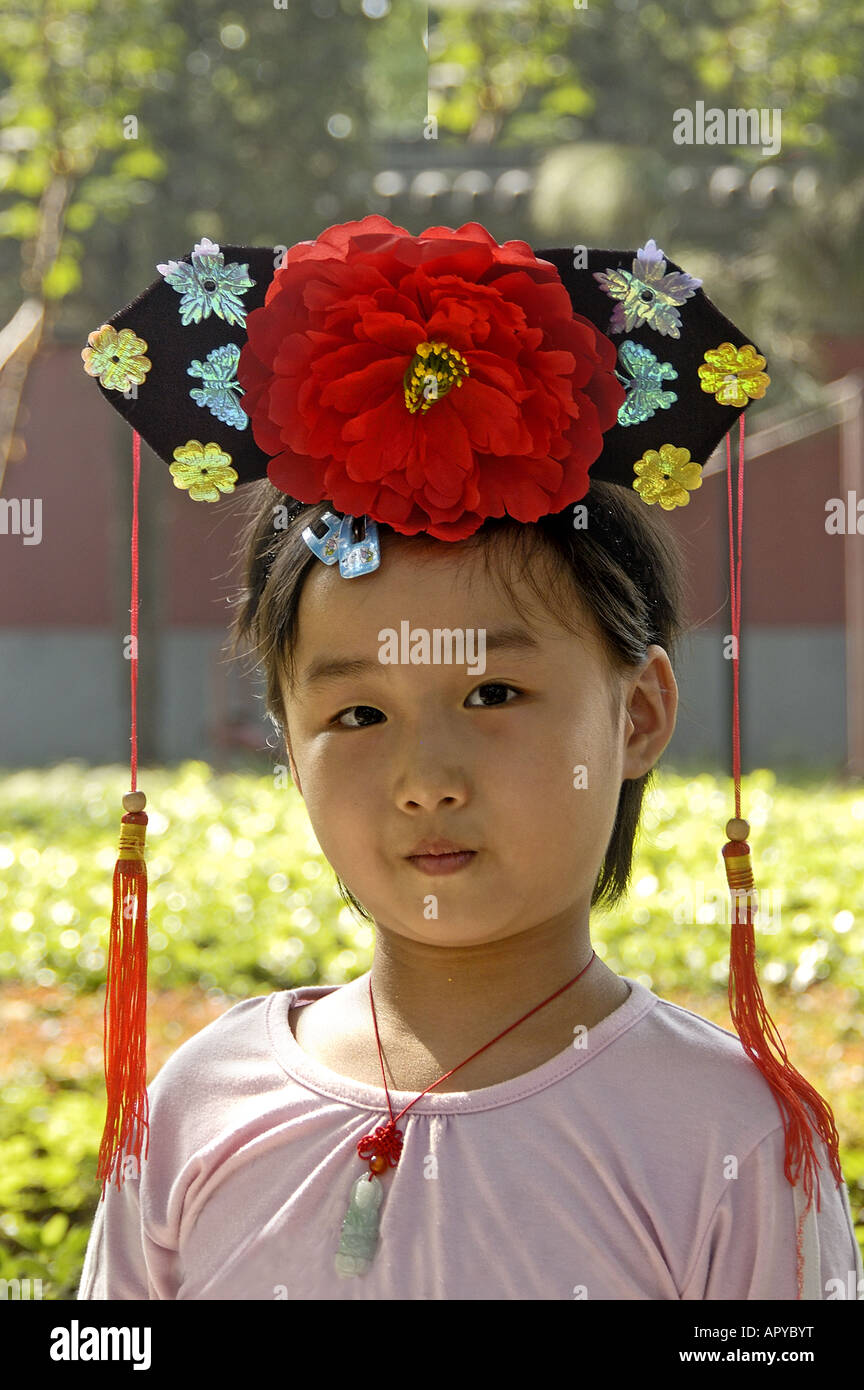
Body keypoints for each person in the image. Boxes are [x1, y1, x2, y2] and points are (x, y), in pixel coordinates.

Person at [77, 216, 862, 1299]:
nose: (426, 777)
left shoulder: (732, 1138)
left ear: (637, 713)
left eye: (493, 692)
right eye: (357, 715)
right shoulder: (198, 1103)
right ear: (287, 746)